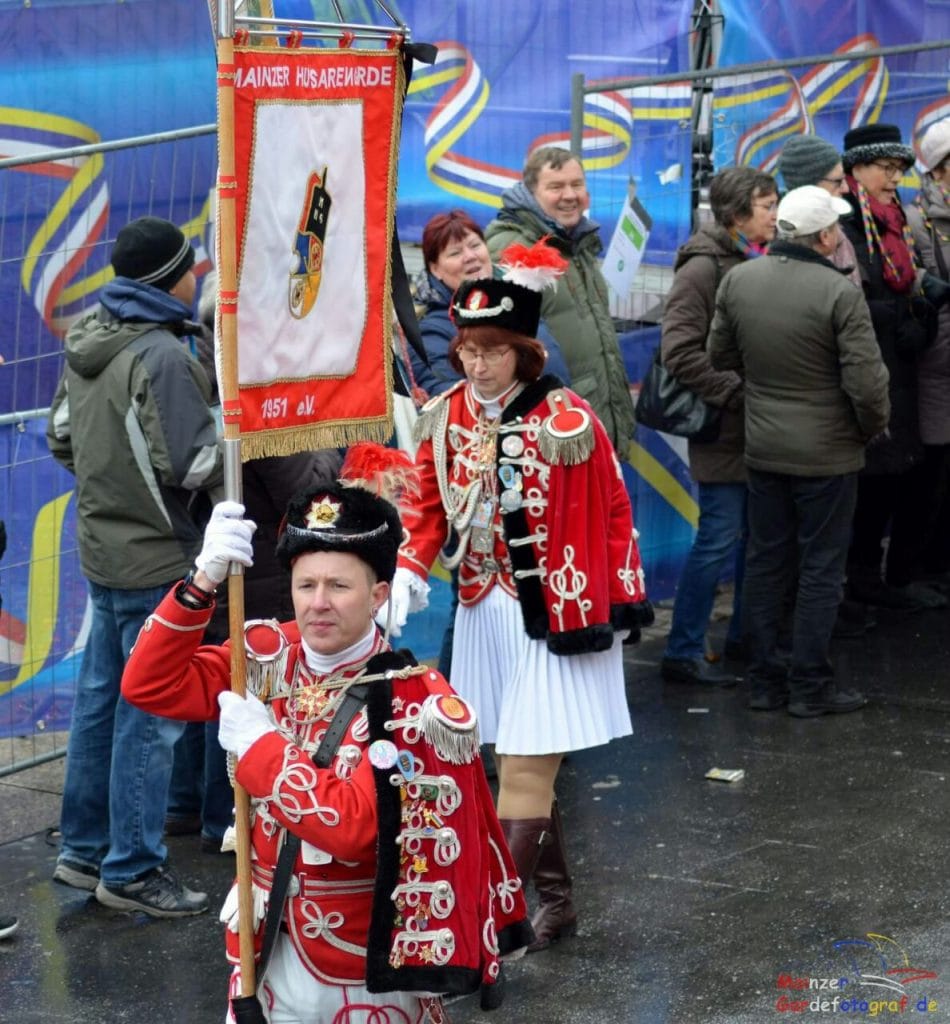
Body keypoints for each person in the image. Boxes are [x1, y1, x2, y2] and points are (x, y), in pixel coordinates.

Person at [121, 445, 531, 1022]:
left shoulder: (415, 700)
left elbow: (356, 830)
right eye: (305, 584)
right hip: (263, 947)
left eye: (339, 587)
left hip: (363, 968)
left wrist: (263, 749)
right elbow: (149, 685)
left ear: (378, 595)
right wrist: (202, 579)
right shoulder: (267, 656)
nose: (317, 604)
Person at [389, 240, 653, 953]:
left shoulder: (565, 421)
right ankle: (556, 902)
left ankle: (486, 921)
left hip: (558, 618)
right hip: (482, 609)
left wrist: (617, 602)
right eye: (469, 350)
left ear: (524, 351)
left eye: (493, 352)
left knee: (530, 767)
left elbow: (612, 513)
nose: (477, 364)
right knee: (511, 766)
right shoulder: (445, 414)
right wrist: (411, 565)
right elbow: (426, 505)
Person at [46, 215, 222, 916]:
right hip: (158, 553)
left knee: (99, 705)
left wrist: (112, 488)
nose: (198, 272)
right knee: (149, 710)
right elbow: (194, 462)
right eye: (190, 265)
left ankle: (83, 852)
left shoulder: (91, 336)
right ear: (167, 278)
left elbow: (62, 437)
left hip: (103, 547)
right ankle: (134, 868)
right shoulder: (164, 354)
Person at [708, 186, 890, 716]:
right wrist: (866, 430)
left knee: (767, 561)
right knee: (821, 569)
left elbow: (719, 353)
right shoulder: (838, 292)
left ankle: (764, 681)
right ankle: (810, 685)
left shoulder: (741, 279)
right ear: (827, 236)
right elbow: (867, 385)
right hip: (828, 455)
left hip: (764, 447)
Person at [659, 166, 778, 685]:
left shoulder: (758, 257)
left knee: (757, 539)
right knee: (719, 538)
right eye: (766, 204)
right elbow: (679, 352)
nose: (776, 213)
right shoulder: (703, 268)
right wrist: (734, 392)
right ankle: (682, 650)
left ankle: (744, 641)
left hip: (760, 429)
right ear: (737, 214)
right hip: (726, 428)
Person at [838, 123, 950, 611]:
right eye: (885, 168)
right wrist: (901, 313)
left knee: (894, 480)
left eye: (898, 168)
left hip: (900, 366)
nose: (893, 177)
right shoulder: (844, 222)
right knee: (869, 485)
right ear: (855, 169)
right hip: (871, 370)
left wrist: (919, 314)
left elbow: (903, 286)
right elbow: (850, 300)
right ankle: (861, 583)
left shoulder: (892, 219)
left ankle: (876, 581)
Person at [485, 147, 636, 457]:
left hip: (593, 420)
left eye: (577, 184)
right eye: (556, 187)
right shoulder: (513, 250)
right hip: (553, 429)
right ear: (531, 192)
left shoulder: (577, 244)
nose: (570, 195)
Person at [409, 209, 572, 399]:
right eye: (455, 252)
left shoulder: (518, 299)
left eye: (475, 245)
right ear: (435, 269)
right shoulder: (430, 333)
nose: (470, 256)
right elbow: (448, 396)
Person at [905, 117, 950, 589]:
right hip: (936, 365)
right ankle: (917, 569)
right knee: (930, 476)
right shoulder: (918, 219)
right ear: (938, 170)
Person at [777, 133, 861, 286]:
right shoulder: (786, 244)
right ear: (808, 185)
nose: (846, 188)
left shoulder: (838, 230)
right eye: (838, 181)